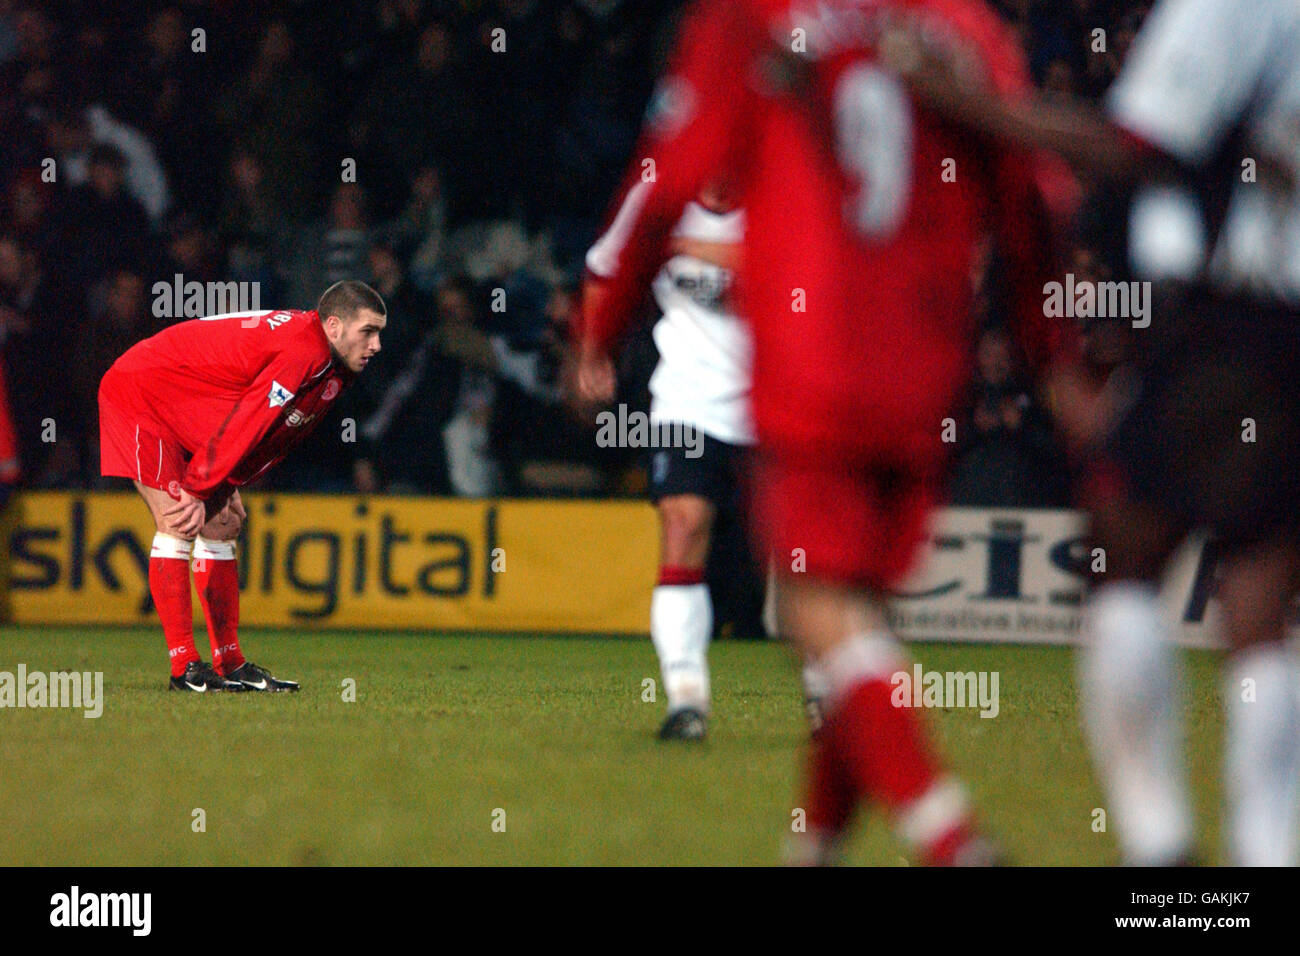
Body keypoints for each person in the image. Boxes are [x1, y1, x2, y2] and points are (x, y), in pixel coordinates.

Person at [574, 0, 1073, 863]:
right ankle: (806, 839)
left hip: (812, 374)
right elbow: (1031, 191)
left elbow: (662, 177)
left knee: (821, 611)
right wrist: (1050, 351)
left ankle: (952, 840)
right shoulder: (964, 24)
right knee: (854, 614)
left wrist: (594, 339)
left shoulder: (758, 18)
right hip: (922, 368)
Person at [890, 0, 1300, 866]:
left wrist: (975, 106)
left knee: (1120, 553)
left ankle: (1159, 846)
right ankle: (1266, 852)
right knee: (1261, 585)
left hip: (1224, 323)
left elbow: (1135, 146)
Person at [97, 280, 387, 692]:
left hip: (187, 399)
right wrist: (199, 488)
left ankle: (230, 663)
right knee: (177, 519)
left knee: (222, 525)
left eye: (379, 333)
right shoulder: (305, 351)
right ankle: (184, 666)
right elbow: (253, 417)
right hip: (140, 391)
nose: (376, 345)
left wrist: (224, 482)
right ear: (335, 325)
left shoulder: (330, 364)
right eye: (368, 331)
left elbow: (276, 432)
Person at [583, 179, 774, 741]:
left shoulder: (780, 186)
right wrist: (595, 347)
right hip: (685, 400)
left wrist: (683, 246)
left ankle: (821, 695)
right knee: (683, 523)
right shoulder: (656, 195)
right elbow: (603, 269)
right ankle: (686, 698)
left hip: (776, 398)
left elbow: (775, 269)